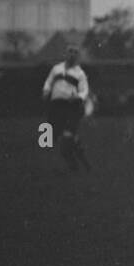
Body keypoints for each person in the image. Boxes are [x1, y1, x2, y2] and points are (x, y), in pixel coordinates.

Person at [42, 43, 91, 172]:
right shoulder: (56, 69)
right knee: (52, 138)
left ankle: (74, 165)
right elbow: (48, 82)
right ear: (66, 54)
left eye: (75, 52)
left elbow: (84, 91)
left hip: (71, 108)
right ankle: (81, 156)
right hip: (55, 107)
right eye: (70, 51)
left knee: (66, 139)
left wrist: (78, 97)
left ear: (78, 56)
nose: (72, 54)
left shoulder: (80, 74)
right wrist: (46, 90)